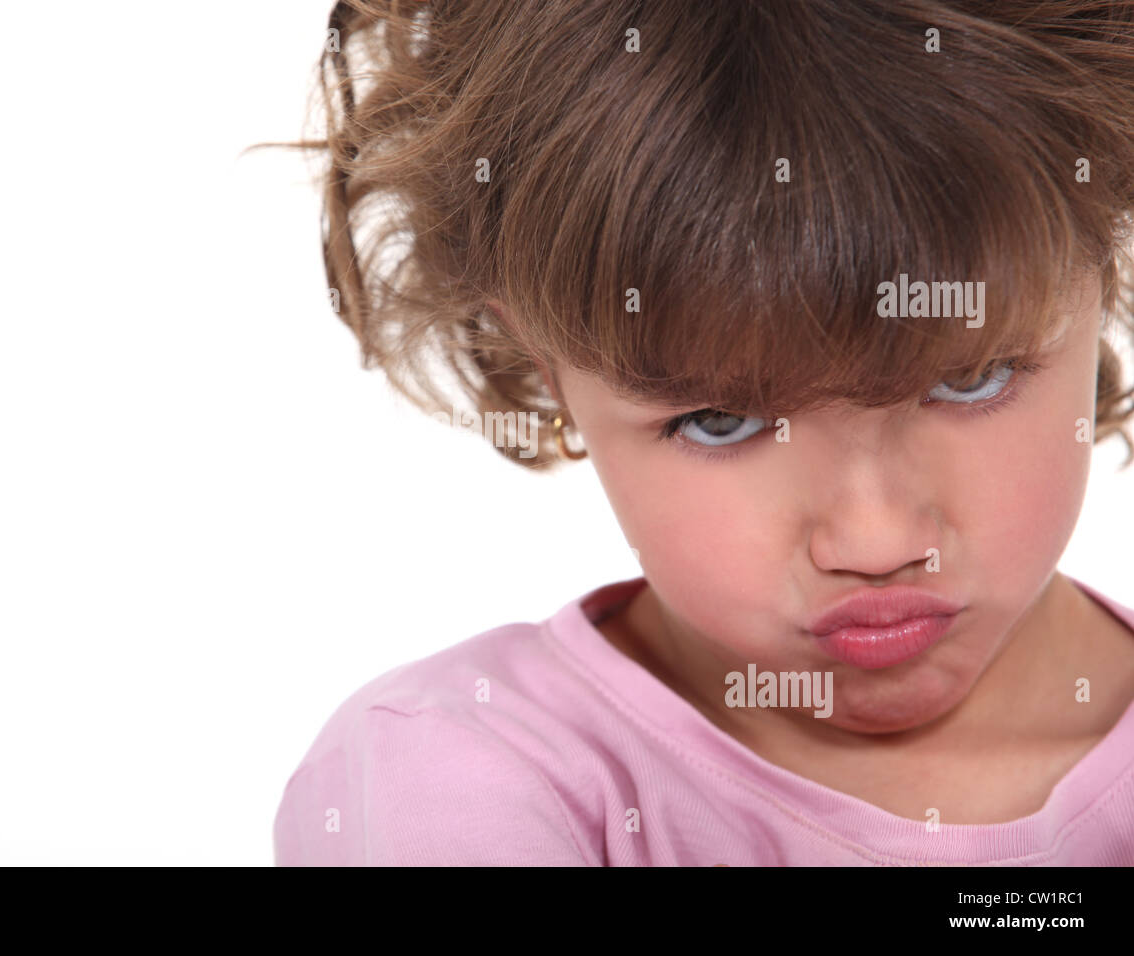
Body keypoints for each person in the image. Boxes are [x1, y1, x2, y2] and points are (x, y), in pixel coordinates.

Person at [266, 0, 1134, 865]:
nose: (874, 542)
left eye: (968, 377)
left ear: (1106, 266)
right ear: (542, 364)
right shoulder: (458, 782)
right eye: (722, 421)